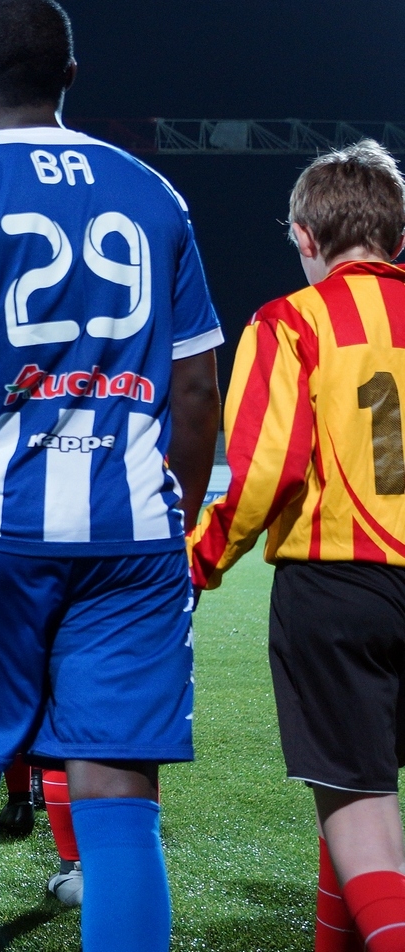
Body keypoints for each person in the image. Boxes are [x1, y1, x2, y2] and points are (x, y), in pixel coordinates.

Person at [0, 0, 223, 948]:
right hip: (131, 536)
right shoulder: (155, 193)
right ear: (69, 77)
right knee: (116, 802)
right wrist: (169, 521)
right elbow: (196, 391)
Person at [189, 141, 405, 952]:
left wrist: (200, 558)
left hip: (339, 587)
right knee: (349, 796)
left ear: (306, 238)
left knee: (358, 804)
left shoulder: (290, 322)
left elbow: (265, 472)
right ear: (400, 234)